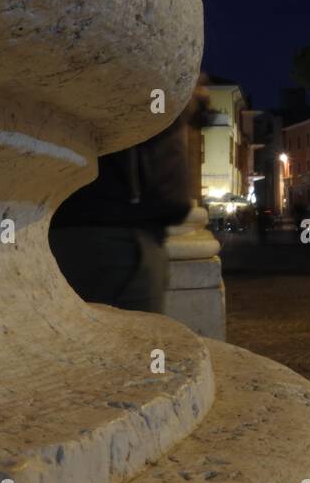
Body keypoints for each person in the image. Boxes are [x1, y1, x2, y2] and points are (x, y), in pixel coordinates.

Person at [49, 85, 207, 314]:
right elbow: (152, 101)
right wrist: (187, 93)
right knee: (135, 342)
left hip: (111, 223)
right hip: (117, 230)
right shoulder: (141, 81)